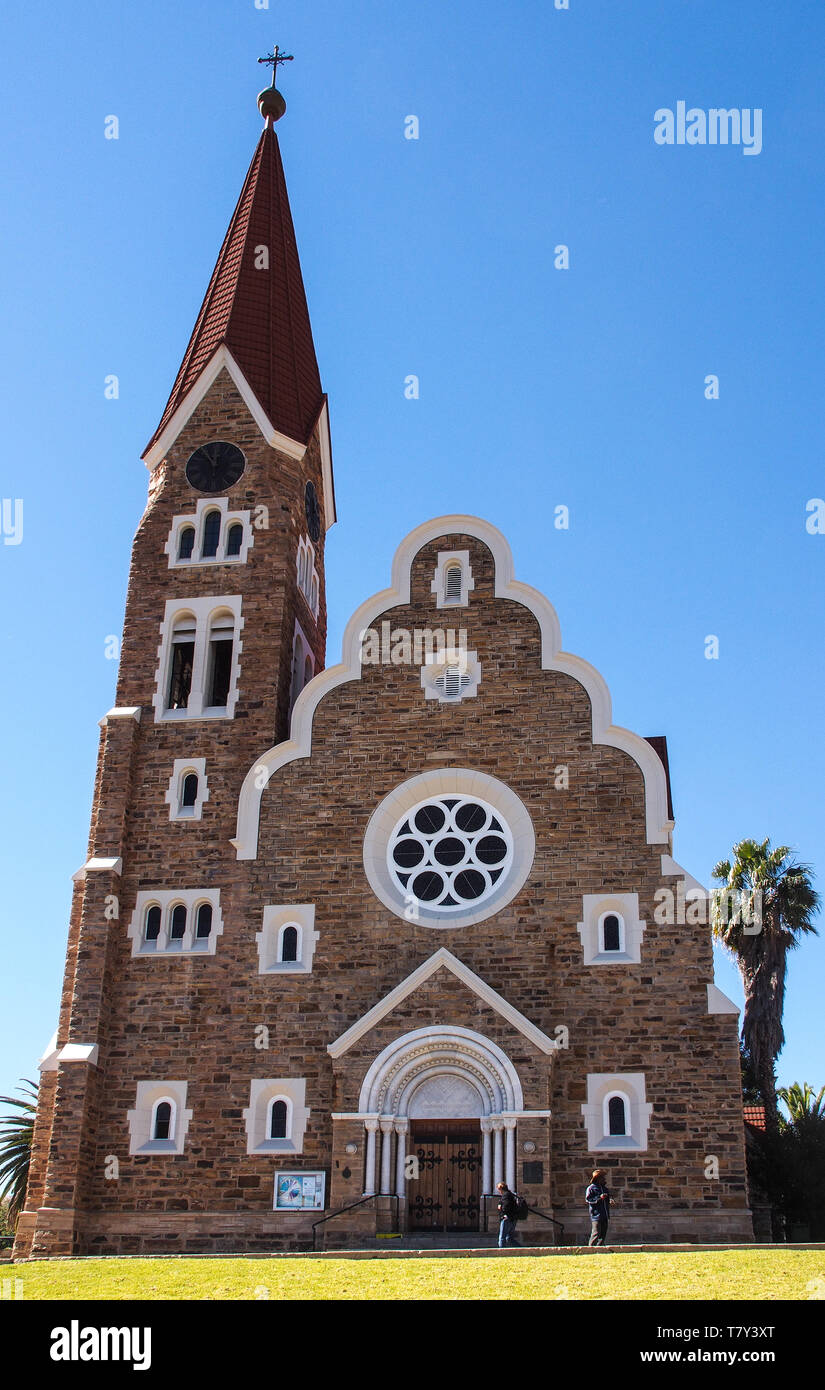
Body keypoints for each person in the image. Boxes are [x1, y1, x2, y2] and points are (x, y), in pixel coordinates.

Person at [585, 1168, 611, 1246]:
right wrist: (599, 1198)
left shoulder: (605, 1189)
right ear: (597, 1178)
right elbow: (589, 1199)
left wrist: (609, 1200)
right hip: (596, 1215)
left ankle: (600, 1248)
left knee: (603, 1234)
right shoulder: (591, 1188)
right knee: (596, 1233)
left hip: (605, 1214)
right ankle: (591, 1248)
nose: (604, 1179)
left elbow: (607, 1199)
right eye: (602, 1177)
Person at [496, 1181, 521, 1247]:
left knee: (502, 1238)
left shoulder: (505, 1196)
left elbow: (505, 1206)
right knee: (509, 1238)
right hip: (513, 1218)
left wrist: (501, 1209)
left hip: (507, 1218)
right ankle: (521, 1249)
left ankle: (502, 1253)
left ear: (501, 1189)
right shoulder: (510, 1195)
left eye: (499, 1190)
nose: (499, 1191)